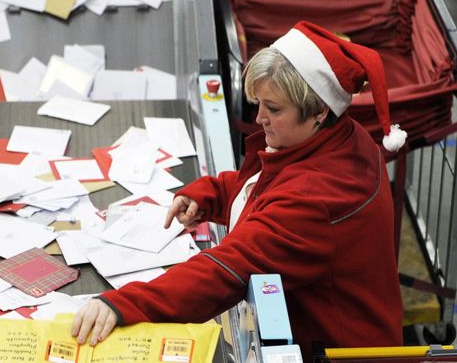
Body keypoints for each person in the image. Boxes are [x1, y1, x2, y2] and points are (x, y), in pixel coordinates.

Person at [72, 21, 406, 358]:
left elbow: (225, 270)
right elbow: (266, 187)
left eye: (274, 109)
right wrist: (211, 194)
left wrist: (122, 305)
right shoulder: (342, 137)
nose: (260, 118)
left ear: (319, 111)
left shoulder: (315, 199)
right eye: (258, 103)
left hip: (343, 352)